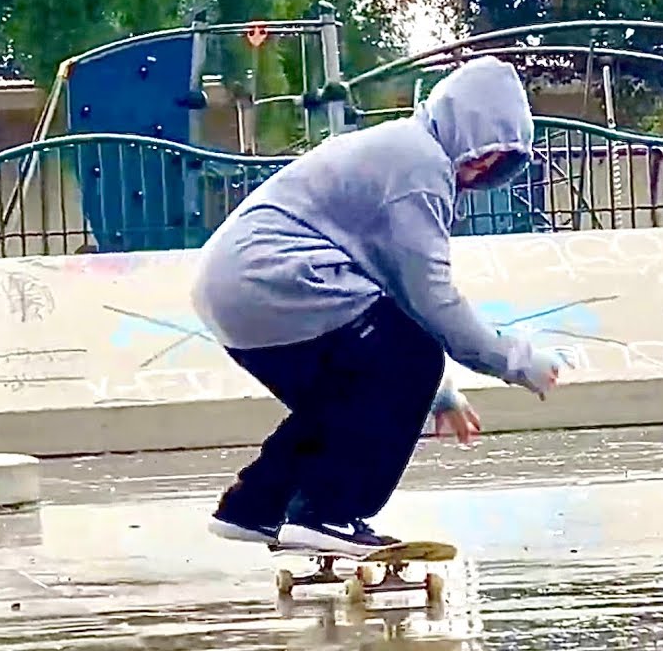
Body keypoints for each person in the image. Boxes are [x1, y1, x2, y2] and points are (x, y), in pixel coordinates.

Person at [190, 57, 568, 558]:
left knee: (340, 398)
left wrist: (440, 394)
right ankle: (328, 515)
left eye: (495, 162)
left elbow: (395, 299)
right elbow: (431, 298)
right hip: (277, 279)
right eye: (480, 152)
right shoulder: (419, 165)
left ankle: (254, 506)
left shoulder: (398, 149)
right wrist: (515, 361)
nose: (479, 168)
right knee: (411, 357)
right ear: (459, 127)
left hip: (232, 291)